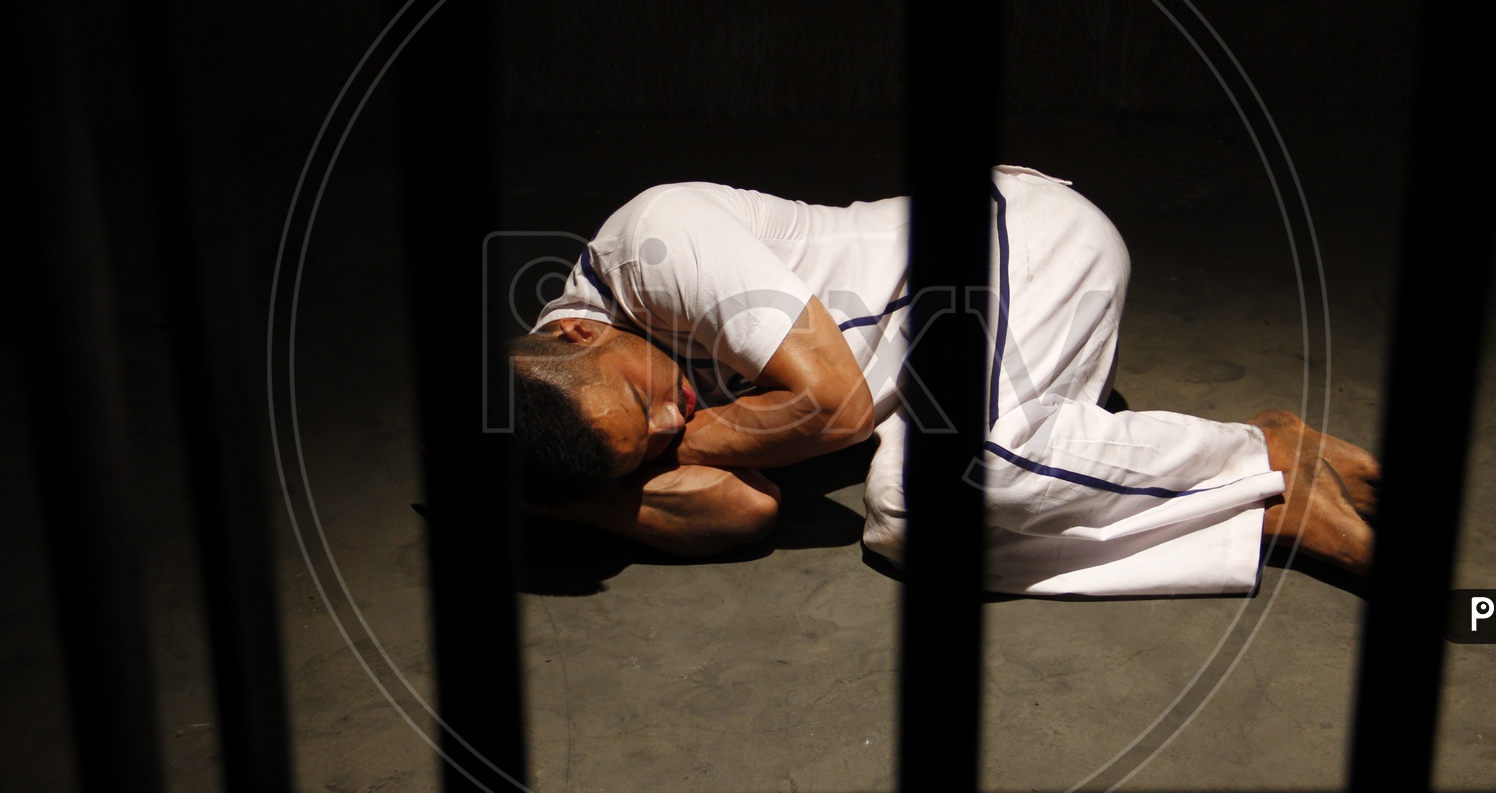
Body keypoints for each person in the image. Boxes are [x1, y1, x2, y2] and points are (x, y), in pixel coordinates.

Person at [510, 167, 1379, 596]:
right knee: (907, 526)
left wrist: (681, 443)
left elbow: (836, 404)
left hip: (1007, 246)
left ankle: (1254, 459)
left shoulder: (654, 239)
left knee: (962, 467)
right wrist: (569, 499)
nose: (670, 417)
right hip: (953, 356)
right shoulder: (604, 427)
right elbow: (748, 511)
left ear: (580, 330)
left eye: (642, 399)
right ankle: (1258, 499)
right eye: (649, 445)